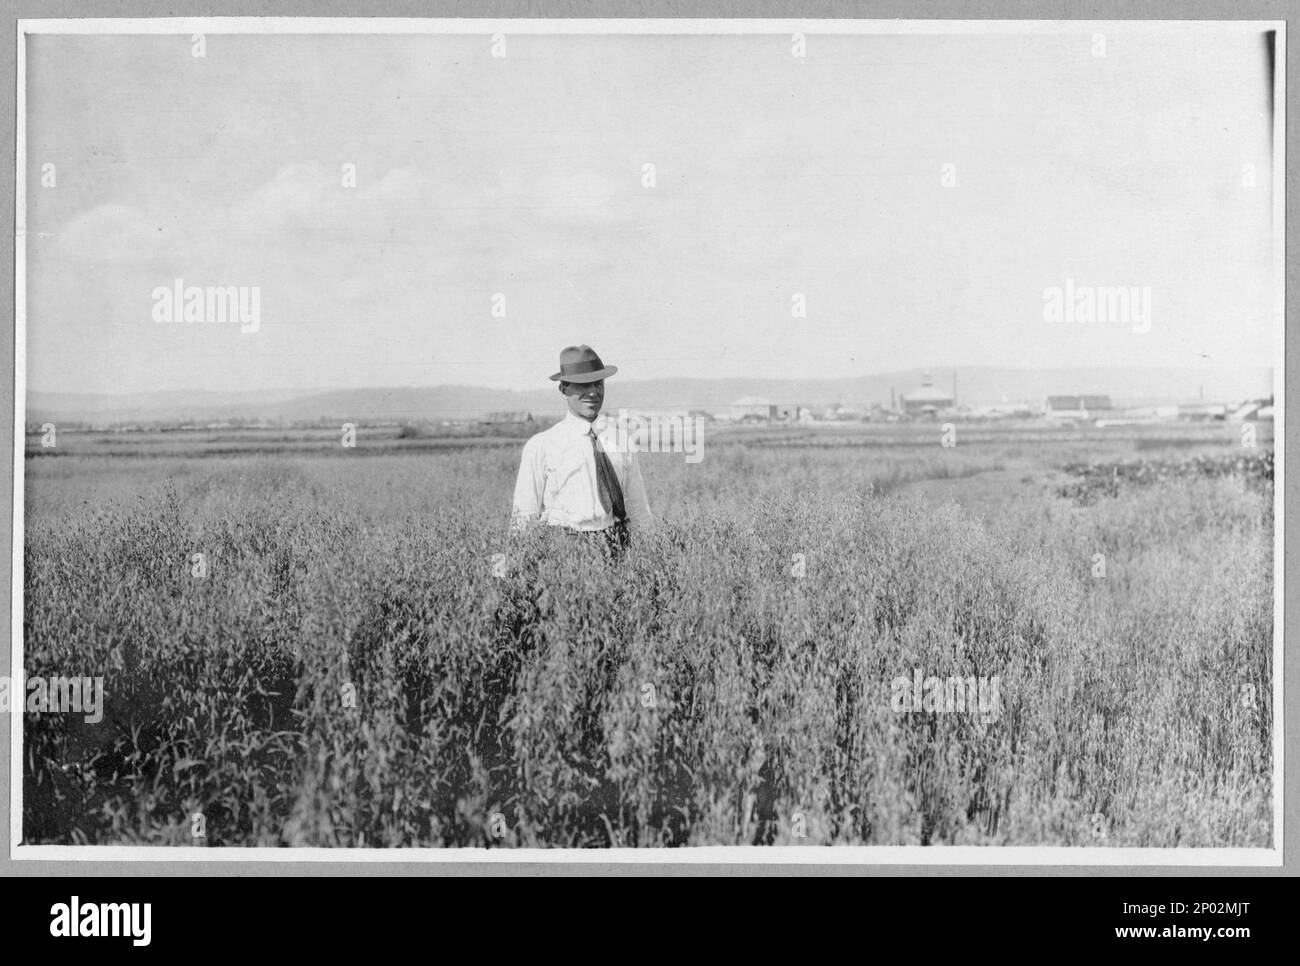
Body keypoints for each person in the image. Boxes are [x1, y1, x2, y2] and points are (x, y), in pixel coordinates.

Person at [510, 344, 653, 553]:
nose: (593, 392)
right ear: (563, 389)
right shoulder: (541, 446)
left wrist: (650, 555)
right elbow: (524, 514)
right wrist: (517, 571)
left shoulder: (621, 441)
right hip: (563, 553)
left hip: (617, 546)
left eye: (598, 384)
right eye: (583, 385)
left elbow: (639, 507)